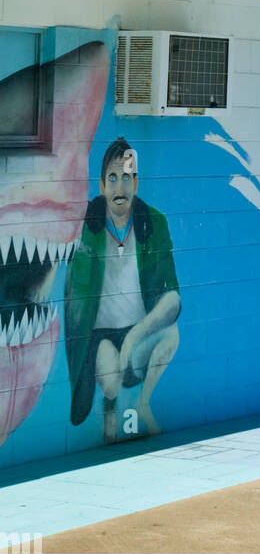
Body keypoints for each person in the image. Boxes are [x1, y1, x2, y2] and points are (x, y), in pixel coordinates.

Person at [65, 138, 180, 443]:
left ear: (136, 183)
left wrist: (135, 335)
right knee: (111, 379)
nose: (120, 188)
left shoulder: (153, 222)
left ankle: (143, 403)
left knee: (172, 335)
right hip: (100, 334)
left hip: (137, 331)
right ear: (102, 186)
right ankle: (110, 409)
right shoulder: (84, 227)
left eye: (127, 177)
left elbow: (173, 297)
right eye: (113, 179)